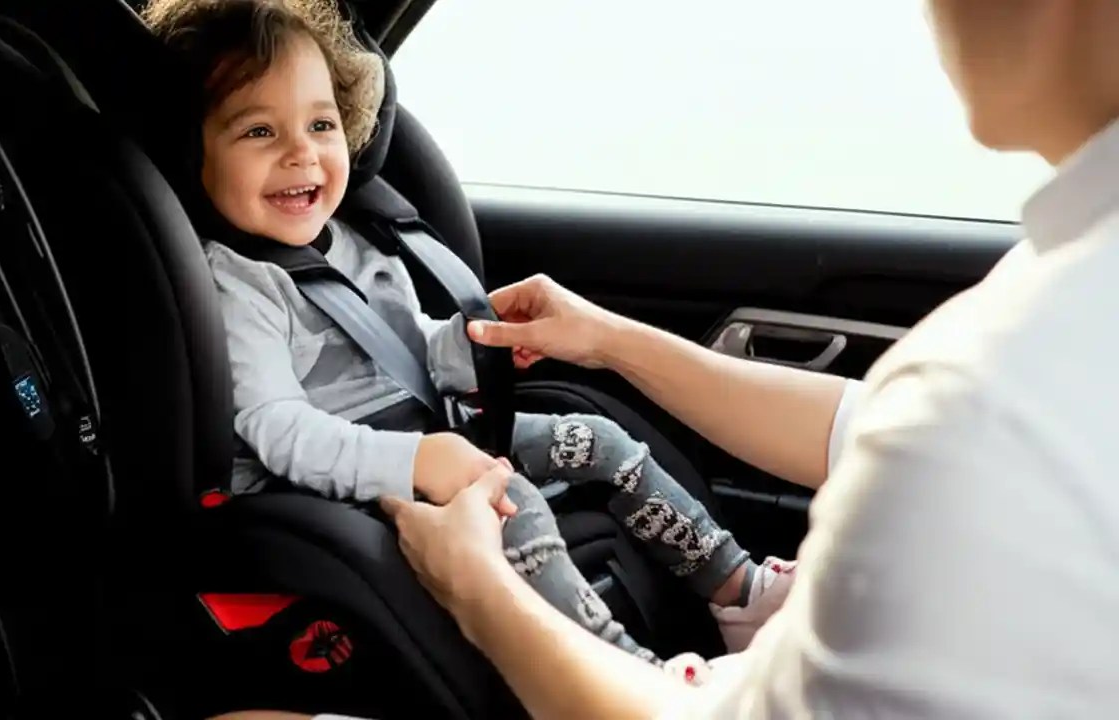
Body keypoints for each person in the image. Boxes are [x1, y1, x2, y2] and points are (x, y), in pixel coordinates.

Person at [379, 0, 1119, 717]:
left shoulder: (997, 402)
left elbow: (939, 433)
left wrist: (475, 585)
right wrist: (610, 339)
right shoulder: (1065, 305)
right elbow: (860, 425)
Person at [140, 0, 792, 674]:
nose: (302, 151)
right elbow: (277, 429)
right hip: (345, 482)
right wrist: (415, 462)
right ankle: (627, 678)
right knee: (515, 503)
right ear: (195, 154)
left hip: (433, 433)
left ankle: (740, 591)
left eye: (320, 123)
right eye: (258, 132)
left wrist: (476, 343)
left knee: (599, 441)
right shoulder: (236, 285)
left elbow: (404, 343)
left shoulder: (357, 242)